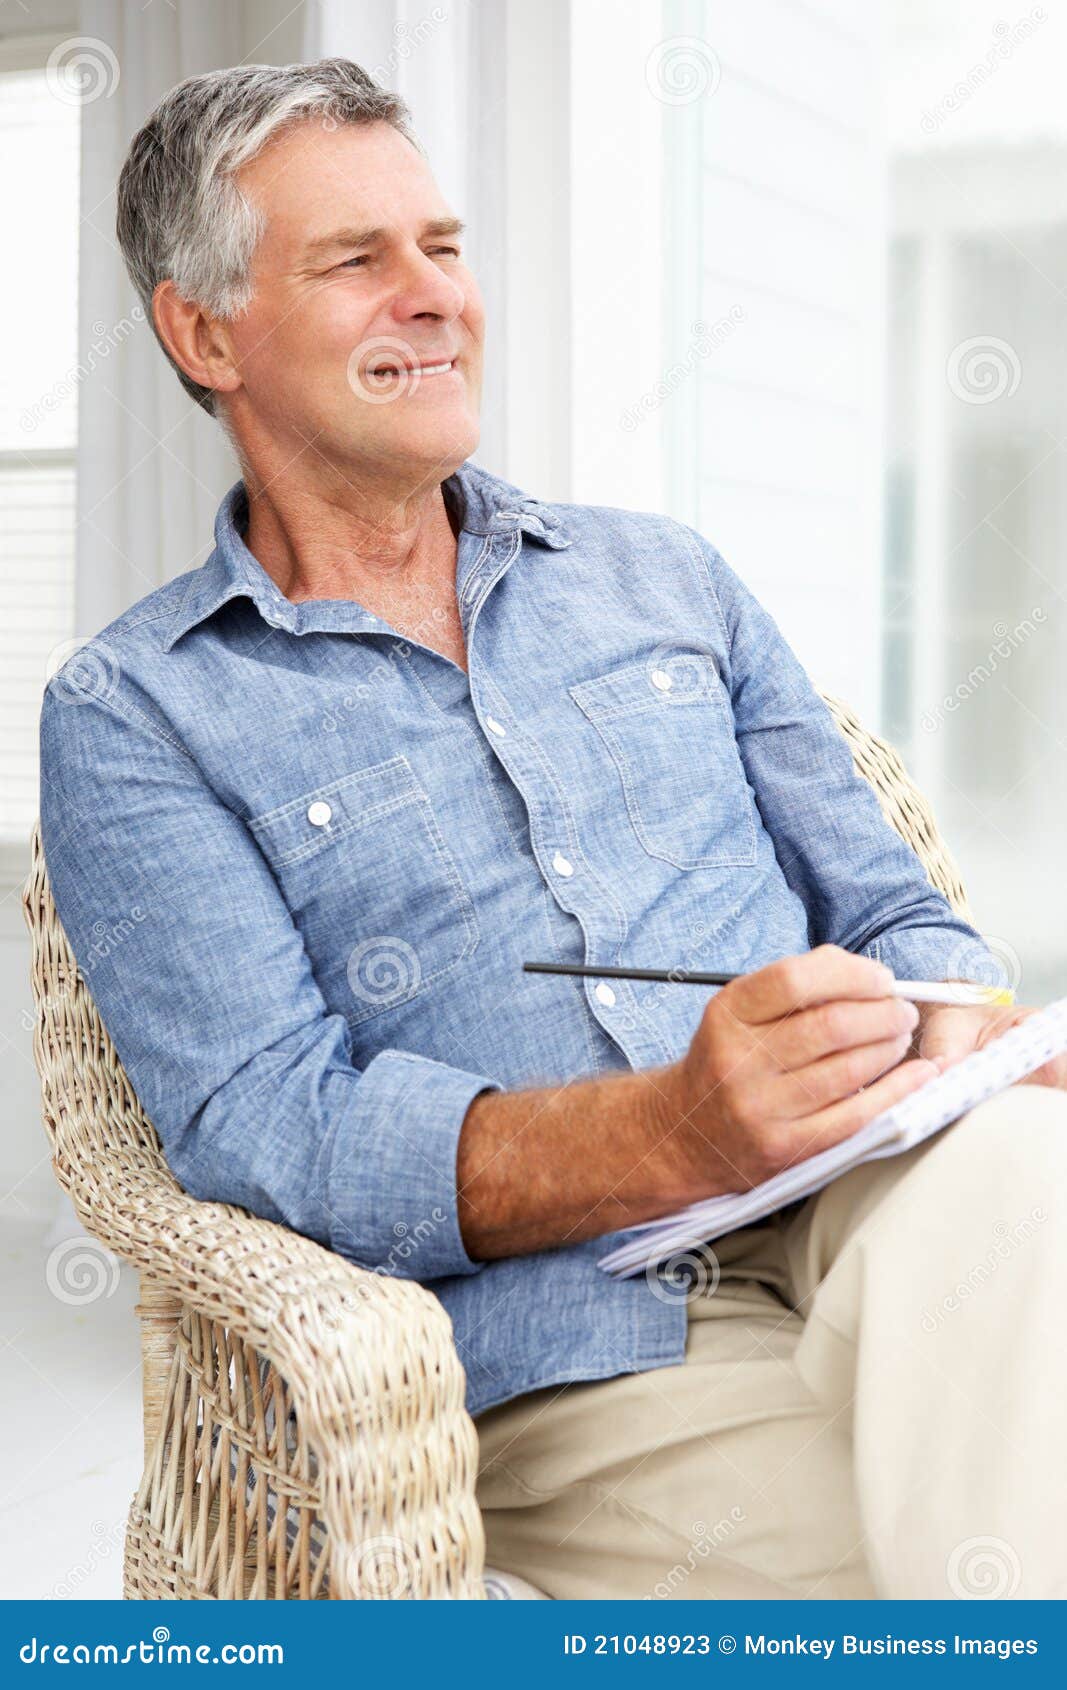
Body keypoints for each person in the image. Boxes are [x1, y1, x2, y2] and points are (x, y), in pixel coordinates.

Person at [39, 59, 1067, 1600]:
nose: (435, 294)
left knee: (1034, 1171)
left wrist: (956, 1027)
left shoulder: (667, 577)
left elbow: (897, 909)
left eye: (443, 245)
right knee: (929, 1568)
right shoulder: (138, 710)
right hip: (579, 1347)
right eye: (357, 258)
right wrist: (675, 1130)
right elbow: (273, 1129)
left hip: (874, 1191)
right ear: (207, 333)